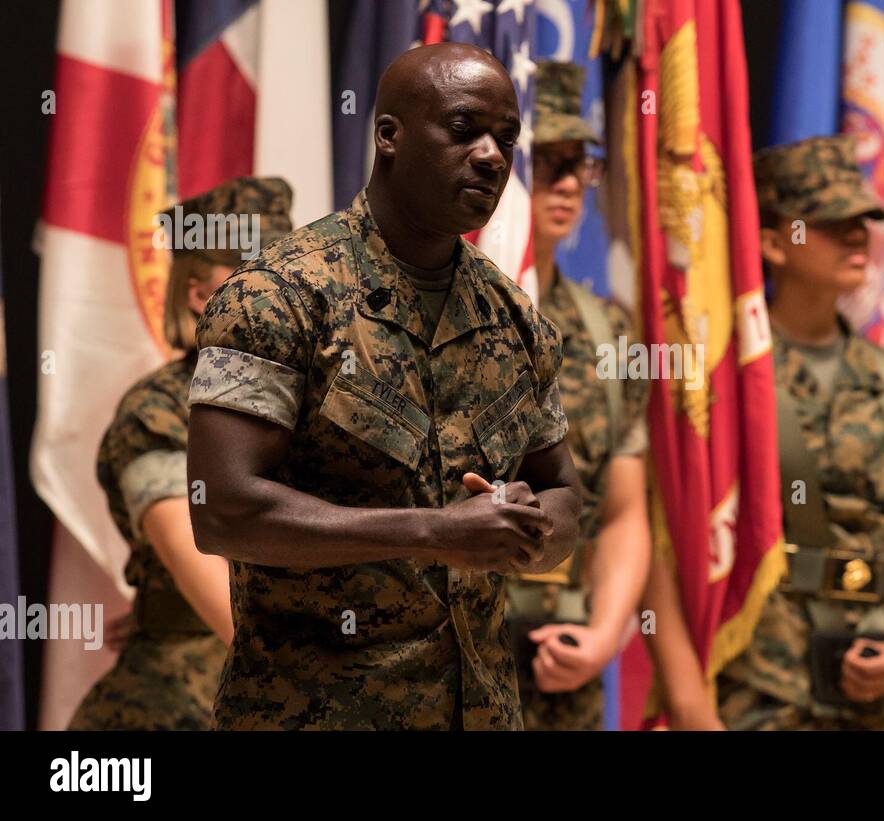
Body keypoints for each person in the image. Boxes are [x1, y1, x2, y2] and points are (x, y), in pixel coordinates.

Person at [185, 43, 582, 730]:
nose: (492, 156)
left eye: (506, 139)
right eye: (464, 131)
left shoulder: (514, 318)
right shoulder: (279, 297)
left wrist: (525, 529)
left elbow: (566, 493)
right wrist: (435, 532)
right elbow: (222, 509)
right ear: (389, 135)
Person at [643, 135, 884, 730]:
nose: (857, 235)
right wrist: (688, 702)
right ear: (773, 243)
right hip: (757, 685)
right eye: (830, 221)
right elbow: (664, 537)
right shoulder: (725, 380)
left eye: (863, 219)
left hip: (866, 685)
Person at [67, 177, 293, 730]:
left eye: (289, 271)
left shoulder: (319, 403)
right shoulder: (161, 410)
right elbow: (218, 596)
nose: (284, 292)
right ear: (199, 294)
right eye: (255, 270)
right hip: (181, 706)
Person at [508, 60, 651, 730]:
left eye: (581, 165)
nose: (567, 184)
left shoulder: (607, 332)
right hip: (442, 665)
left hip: (561, 660)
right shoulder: (429, 314)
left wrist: (603, 636)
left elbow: (622, 511)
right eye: (547, 162)